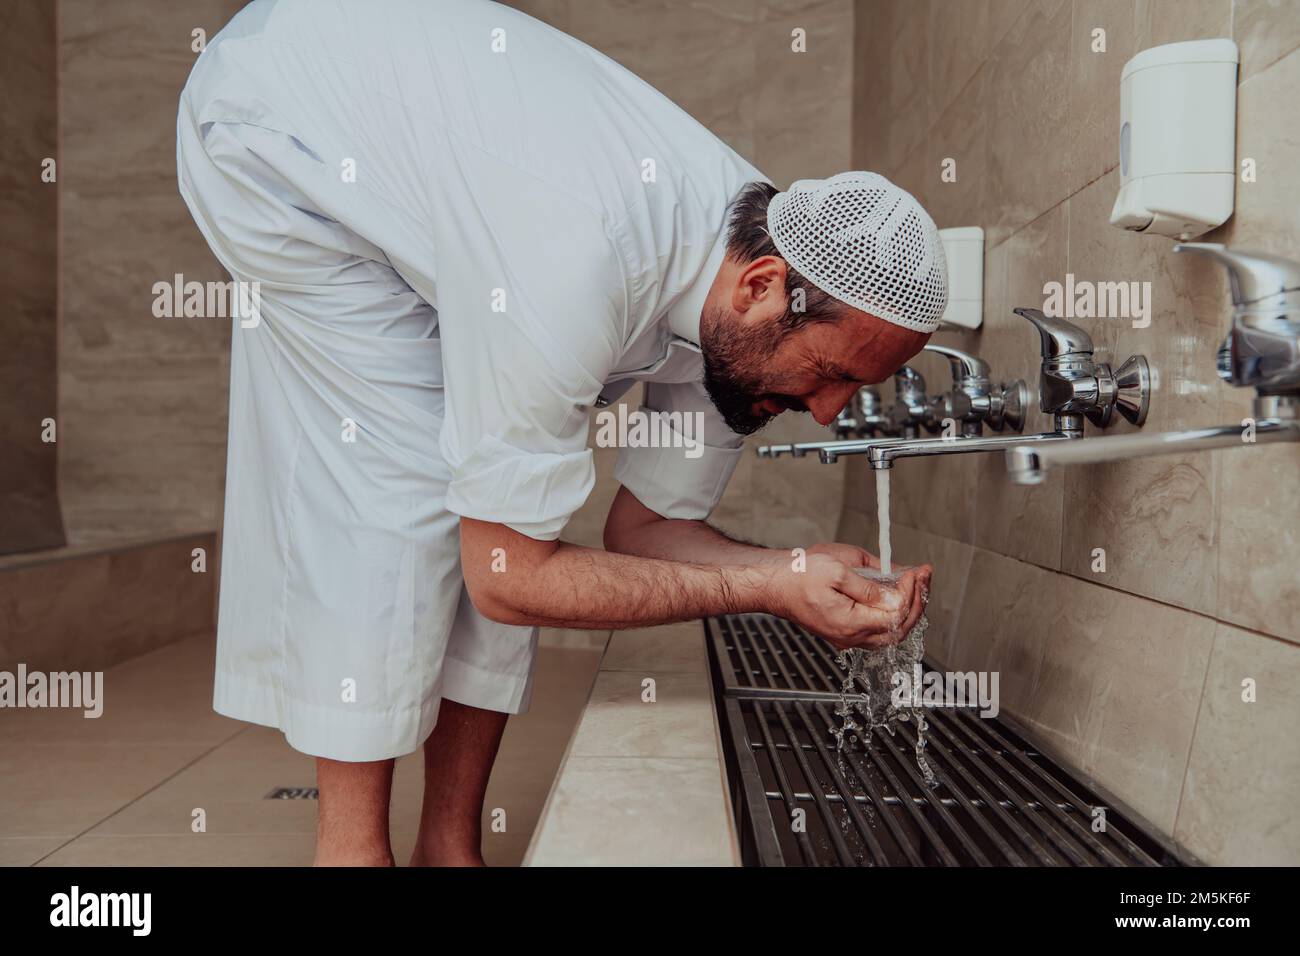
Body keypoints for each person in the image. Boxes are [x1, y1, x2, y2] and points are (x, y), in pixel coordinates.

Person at [176, 0, 940, 866]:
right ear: (763, 286)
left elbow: (646, 532)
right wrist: (764, 590)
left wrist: (793, 570)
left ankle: (447, 847)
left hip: (451, 162)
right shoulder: (580, 262)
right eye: (832, 373)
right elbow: (506, 580)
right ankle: (351, 853)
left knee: (513, 505)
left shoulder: (753, 297)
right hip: (279, 118)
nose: (833, 408)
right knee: (405, 484)